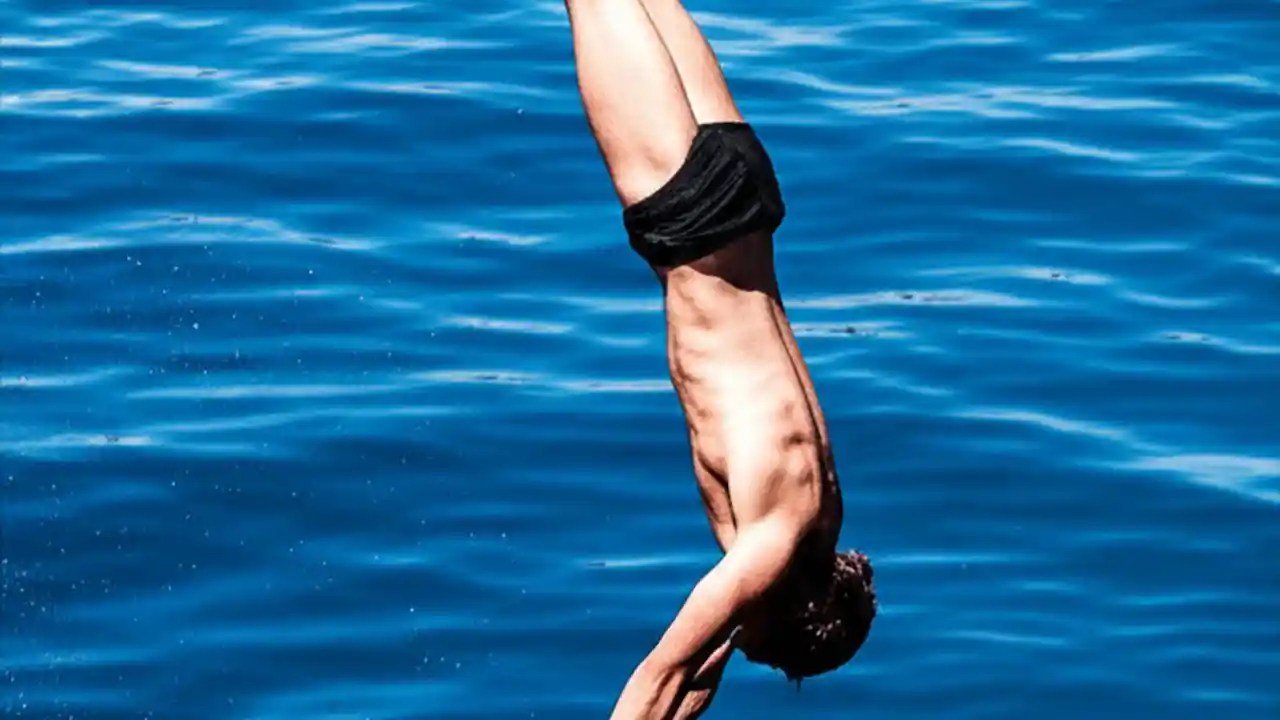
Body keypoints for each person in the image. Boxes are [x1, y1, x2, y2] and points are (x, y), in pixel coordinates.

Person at [563, 1, 878, 717]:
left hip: (744, 198)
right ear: (783, 611)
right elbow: (661, 673)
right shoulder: (768, 543)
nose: (738, 642)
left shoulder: (815, 516)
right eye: (756, 644)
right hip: (687, 215)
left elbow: (702, 667)